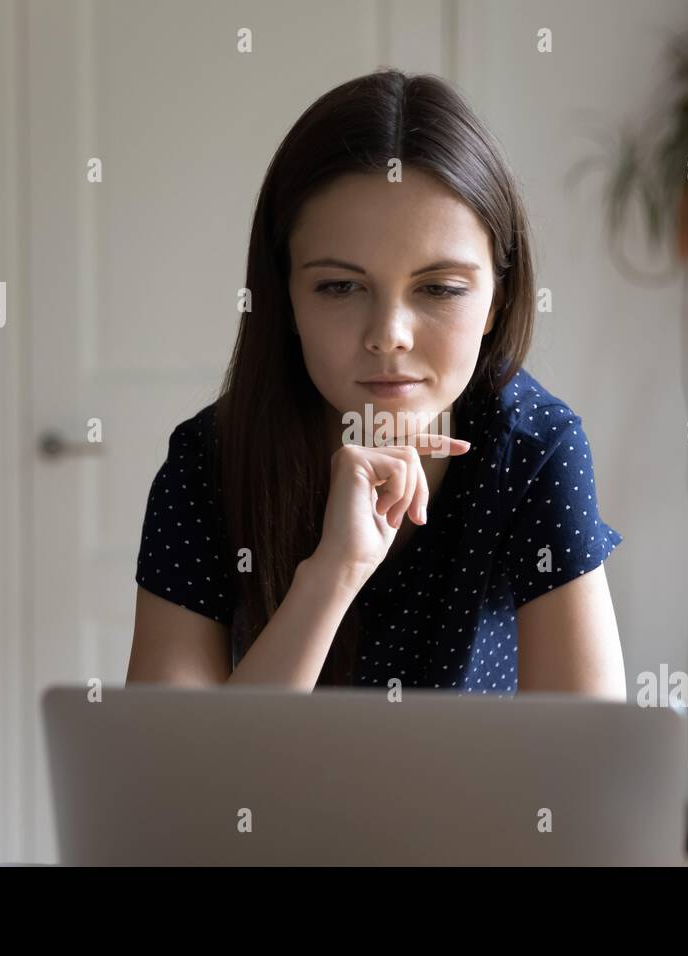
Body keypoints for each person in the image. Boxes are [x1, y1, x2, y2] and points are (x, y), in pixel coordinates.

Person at [127, 68, 625, 698]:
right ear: (285, 298)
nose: (389, 333)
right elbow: (177, 777)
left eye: (440, 288)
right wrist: (334, 572)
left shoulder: (535, 449)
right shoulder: (207, 463)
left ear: (497, 299)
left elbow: (587, 764)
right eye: (340, 286)